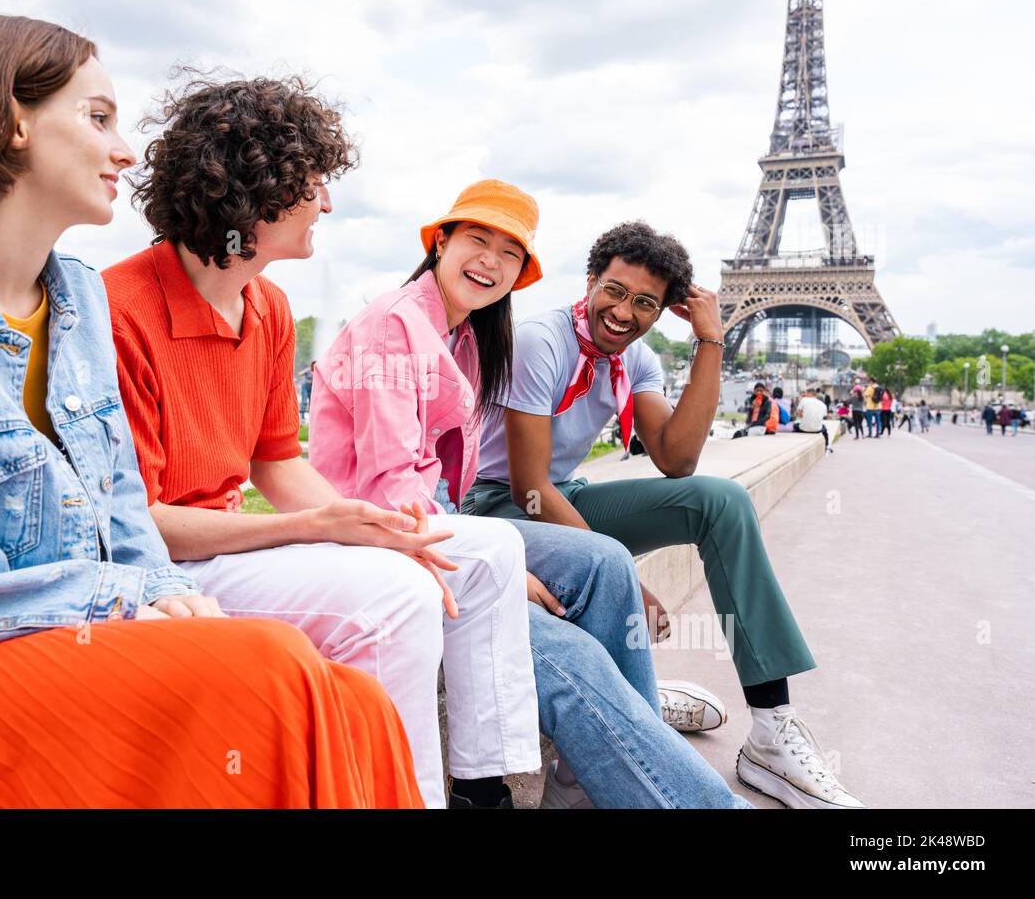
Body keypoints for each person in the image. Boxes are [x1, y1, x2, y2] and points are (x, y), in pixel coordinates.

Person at [0, 17, 423, 809]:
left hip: (40, 639)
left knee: (358, 703)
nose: (125, 151)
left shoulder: (80, 299)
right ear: (11, 119)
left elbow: (120, 504)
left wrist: (166, 595)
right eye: (98, 118)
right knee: (270, 669)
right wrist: (118, 600)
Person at [103, 74, 539, 808]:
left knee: (494, 548)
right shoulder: (120, 310)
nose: (328, 203)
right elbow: (136, 527)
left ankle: (482, 784)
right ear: (257, 191)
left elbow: (276, 460)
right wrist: (323, 525)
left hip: (227, 544)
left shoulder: (267, 306)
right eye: (313, 183)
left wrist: (360, 524)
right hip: (168, 570)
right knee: (400, 594)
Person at [311, 180, 746, 809]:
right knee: (571, 659)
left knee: (607, 561)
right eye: (476, 240)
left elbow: (677, 457)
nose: (490, 261)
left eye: (509, 253)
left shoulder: (468, 335)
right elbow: (392, 490)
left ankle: (613, 769)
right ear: (440, 243)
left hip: (439, 524)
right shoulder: (395, 327)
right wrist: (499, 570)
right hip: (384, 540)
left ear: (521, 273)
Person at [463, 221, 864, 808]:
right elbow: (527, 487)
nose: (624, 312)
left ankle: (772, 728)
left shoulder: (638, 360)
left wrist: (711, 341)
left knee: (720, 501)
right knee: (604, 563)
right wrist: (626, 571)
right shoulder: (540, 341)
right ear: (592, 280)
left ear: (663, 310)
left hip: (563, 495)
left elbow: (677, 459)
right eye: (615, 291)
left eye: (645, 302)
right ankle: (639, 707)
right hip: (497, 504)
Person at [795, 387, 832, 452]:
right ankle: (827, 446)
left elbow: (798, 414)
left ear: (810, 394)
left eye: (806, 394)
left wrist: (803, 415)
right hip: (817, 430)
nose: (805, 395)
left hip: (804, 429)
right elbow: (823, 417)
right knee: (825, 429)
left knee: (795, 425)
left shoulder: (804, 400)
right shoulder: (823, 405)